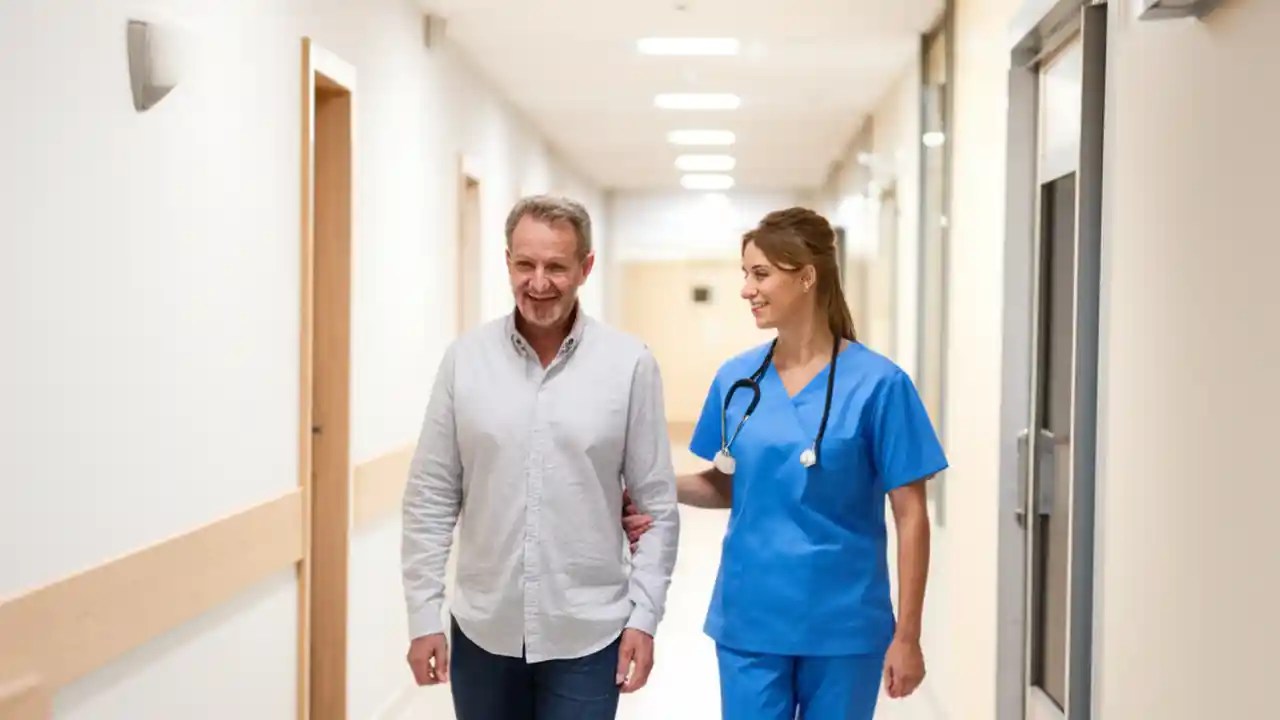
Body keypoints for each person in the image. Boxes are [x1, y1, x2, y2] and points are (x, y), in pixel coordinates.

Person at [628, 207, 946, 719]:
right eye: (745, 274)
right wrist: (654, 486)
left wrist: (908, 635)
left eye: (760, 274)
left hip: (845, 626)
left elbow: (911, 517)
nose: (746, 289)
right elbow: (729, 485)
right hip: (751, 618)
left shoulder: (880, 385)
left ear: (806, 276)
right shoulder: (738, 379)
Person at [401, 194, 680, 720]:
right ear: (507, 261)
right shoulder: (465, 361)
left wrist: (645, 617)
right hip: (483, 631)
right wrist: (423, 616)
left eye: (556, 266)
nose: (539, 282)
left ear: (585, 268)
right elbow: (430, 498)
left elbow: (657, 508)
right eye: (525, 264)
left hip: (588, 634)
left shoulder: (629, 365)